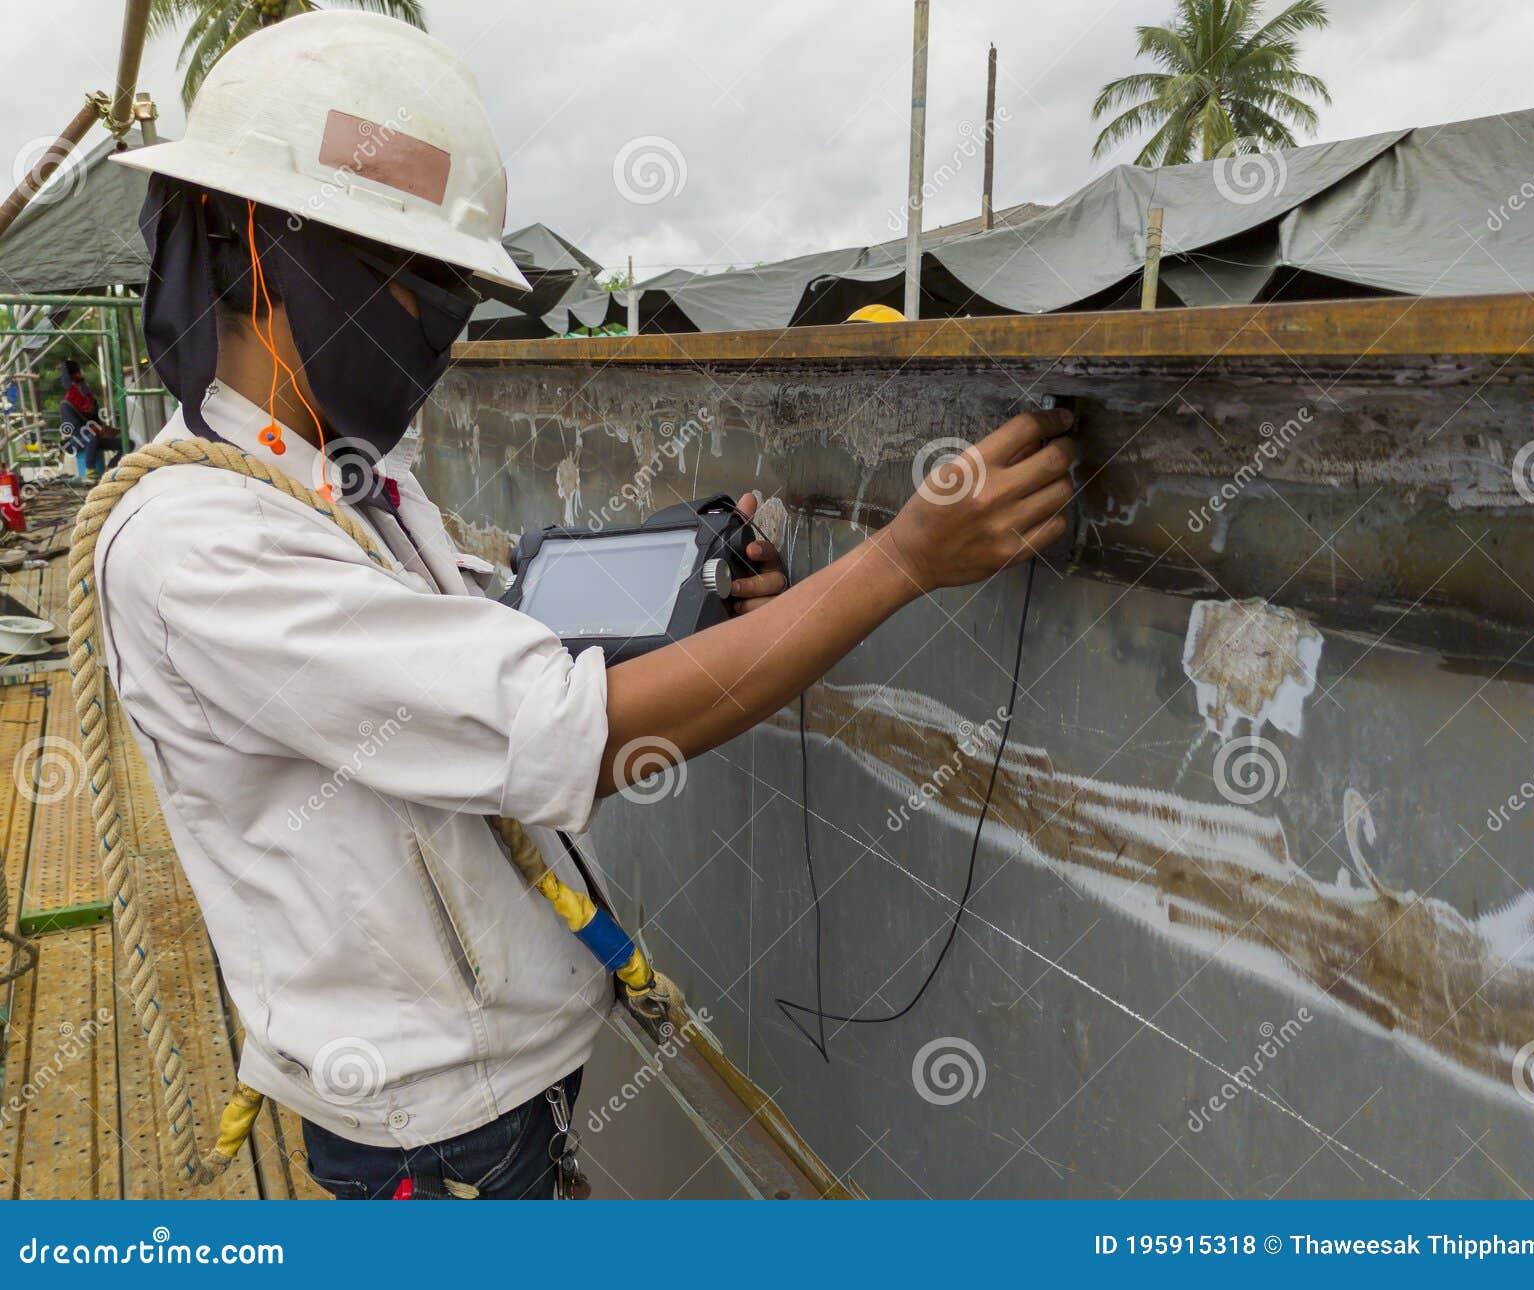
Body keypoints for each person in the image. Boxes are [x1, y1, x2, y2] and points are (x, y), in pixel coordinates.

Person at [98, 11, 1074, 1199]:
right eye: (412, 288)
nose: (435, 335)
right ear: (258, 246)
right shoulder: (202, 547)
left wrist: (685, 601)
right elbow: (566, 732)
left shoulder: (345, 479)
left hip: (504, 1082)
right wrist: (907, 561)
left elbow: (470, 638)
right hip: (434, 1130)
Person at [58, 360, 110, 479]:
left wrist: (102, 429)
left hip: (92, 435)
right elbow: (73, 430)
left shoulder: (85, 392)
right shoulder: (68, 402)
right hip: (77, 439)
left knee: (120, 442)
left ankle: (112, 468)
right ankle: (89, 469)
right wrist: (64, 367)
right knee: (91, 438)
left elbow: (94, 414)